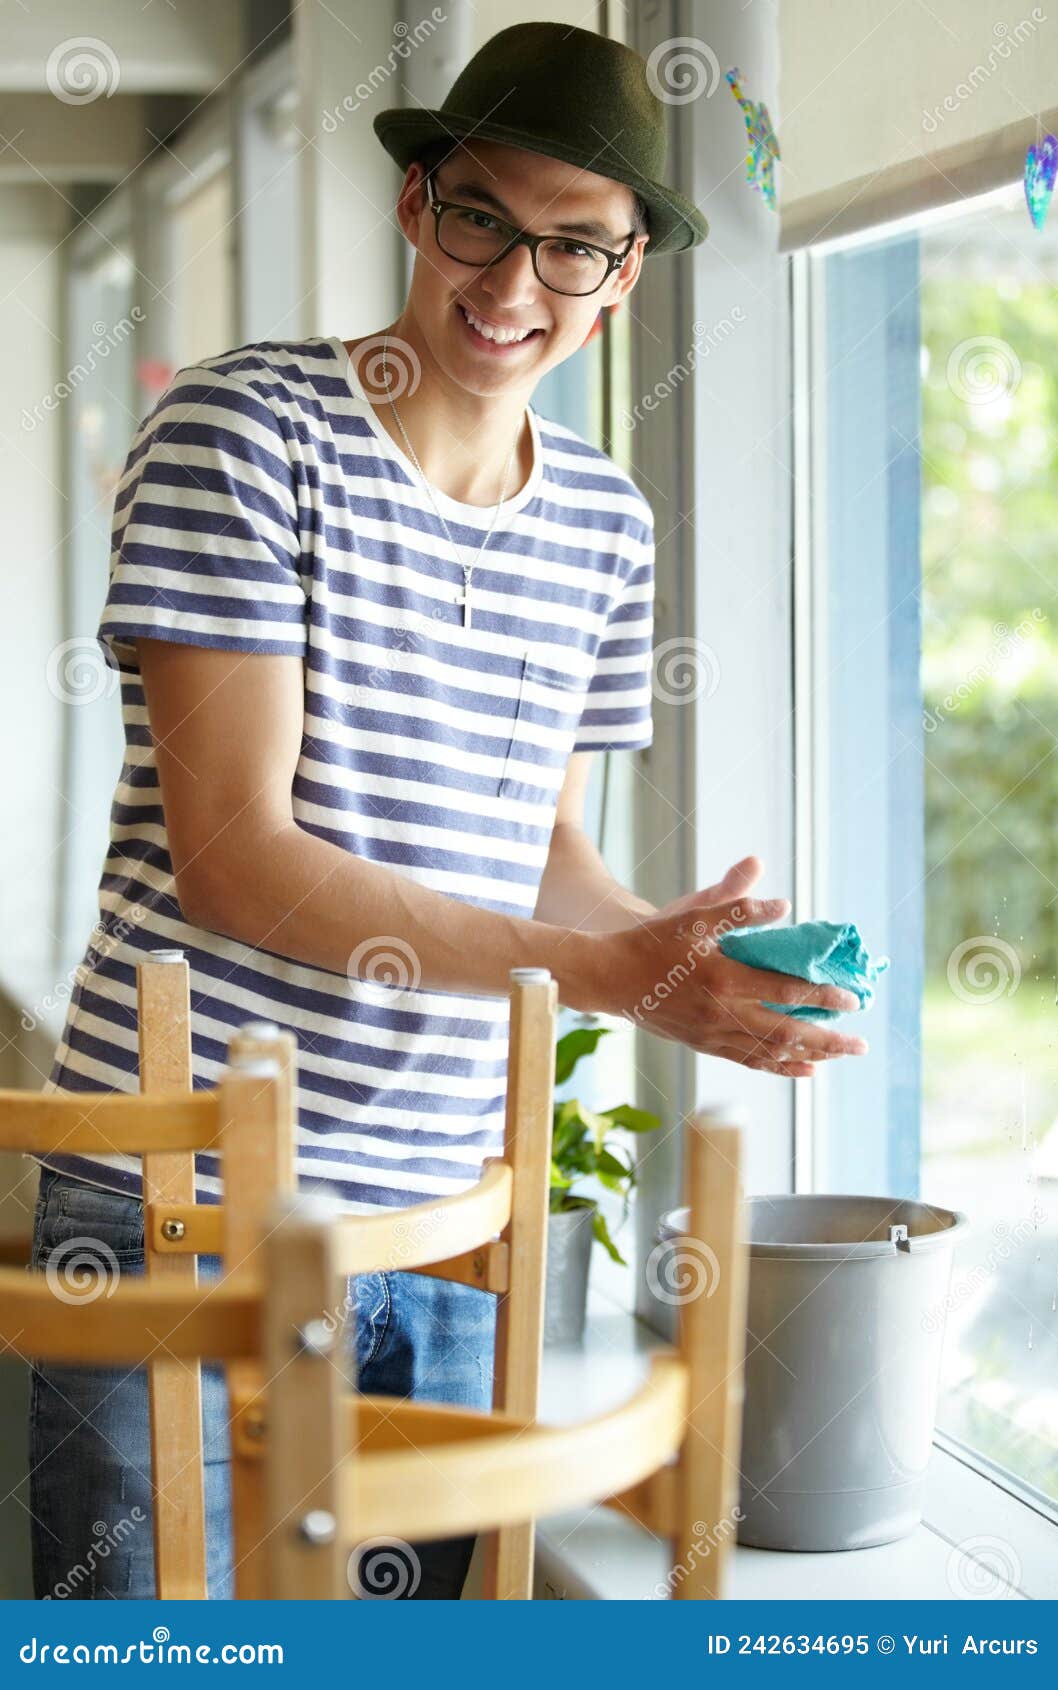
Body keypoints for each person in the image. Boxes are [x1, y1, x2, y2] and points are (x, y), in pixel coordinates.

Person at [28, 22, 867, 1601]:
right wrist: (613, 975)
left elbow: (541, 851)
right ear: (418, 203)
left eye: (572, 246)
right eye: (483, 216)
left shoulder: (605, 522)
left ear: (622, 274)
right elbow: (235, 860)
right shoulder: (242, 432)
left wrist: (684, 959)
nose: (512, 284)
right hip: (185, 1196)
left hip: (444, 1212)